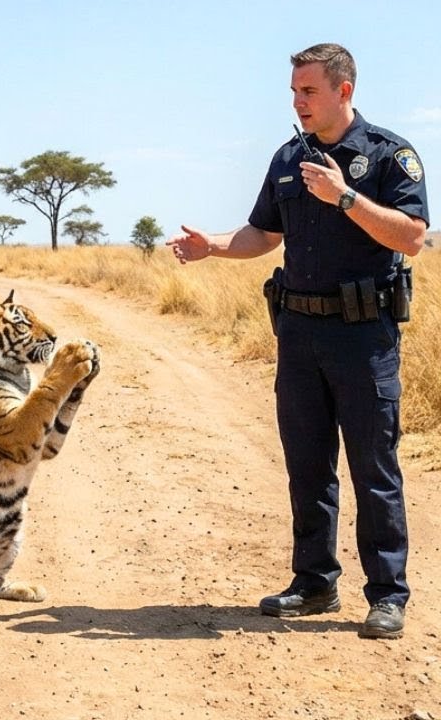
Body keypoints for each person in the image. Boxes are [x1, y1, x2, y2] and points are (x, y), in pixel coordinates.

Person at [167, 43, 429, 640]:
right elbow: (263, 232)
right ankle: (314, 582)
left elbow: (412, 236)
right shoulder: (289, 157)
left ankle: (387, 594)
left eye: (308, 91)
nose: (297, 102)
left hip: (365, 336)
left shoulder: (389, 156)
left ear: (344, 91)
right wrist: (214, 245)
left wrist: (344, 196)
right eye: (293, 92)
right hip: (300, 334)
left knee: (374, 467)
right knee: (308, 466)